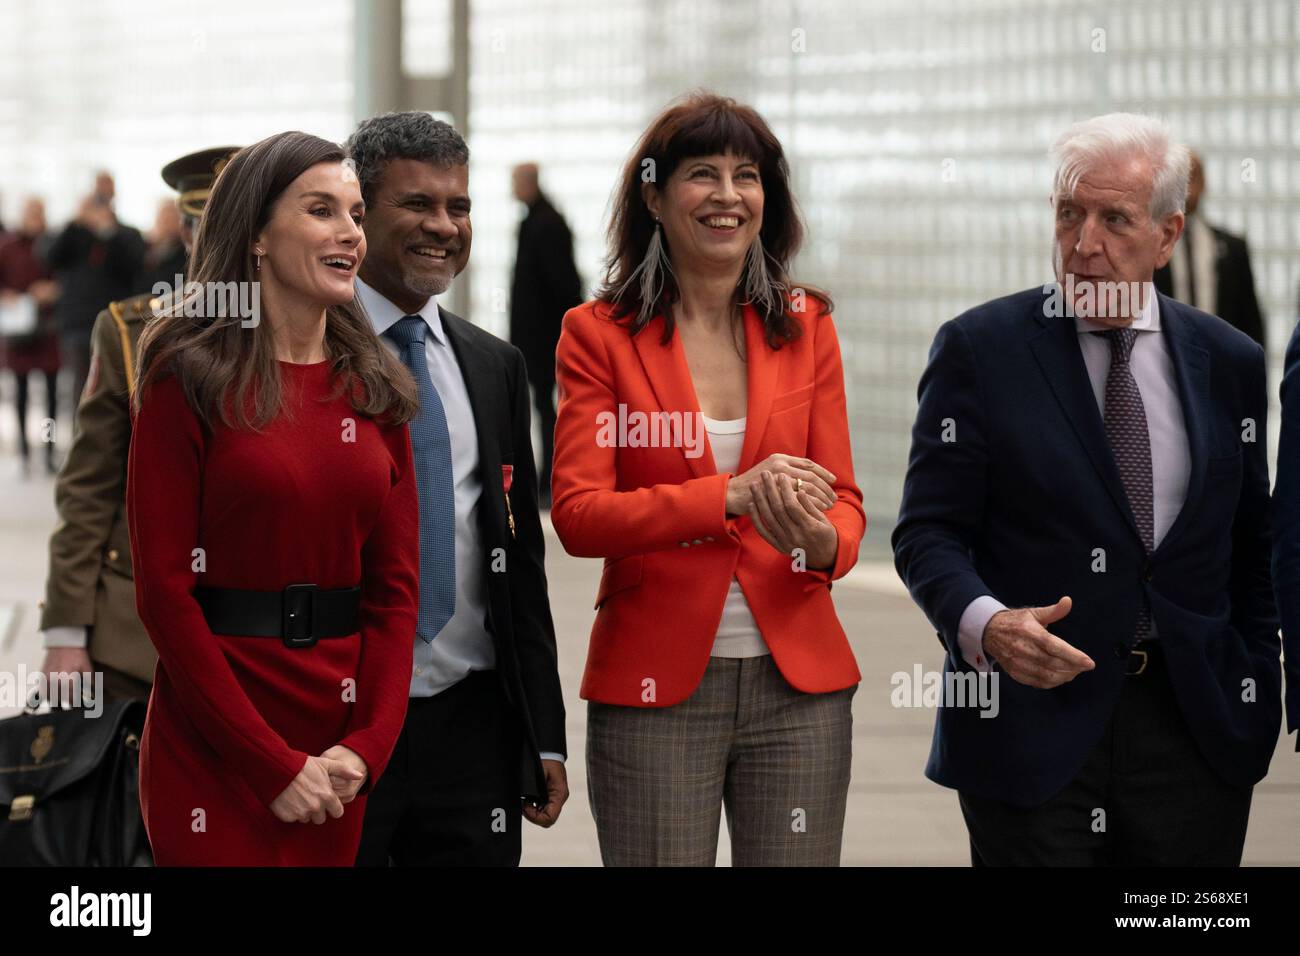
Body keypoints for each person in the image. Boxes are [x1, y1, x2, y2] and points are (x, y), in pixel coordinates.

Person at [892, 113, 1280, 866]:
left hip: (1194, 735)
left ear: (1168, 236)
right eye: (1069, 213)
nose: (1084, 243)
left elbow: (1252, 543)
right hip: (1030, 735)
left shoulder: (1229, 362)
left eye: (1114, 219)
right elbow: (928, 533)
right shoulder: (980, 350)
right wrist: (987, 624)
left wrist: (1256, 683)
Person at [551, 92, 864, 866]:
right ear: (654, 196)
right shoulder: (597, 335)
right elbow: (580, 515)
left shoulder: (808, 324)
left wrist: (824, 541)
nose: (728, 197)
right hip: (656, 688)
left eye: (746, 176)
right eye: (702, 174)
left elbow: (847, 502)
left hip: (801, 688)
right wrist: (727, 494)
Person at [127, 132, 420, 865]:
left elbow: (395, 594)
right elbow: (164, 594)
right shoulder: (185, 375)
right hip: (216, 738)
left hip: (336, 747)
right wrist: (269, 763)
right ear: (255, 235)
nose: (349, 233)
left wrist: (368, 747)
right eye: (321, 210)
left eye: (355, 215)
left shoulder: (377, 387)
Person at [346, 112, 568, 867]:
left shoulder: (493, 366)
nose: (443, 225)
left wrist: (544, 730)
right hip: (340, 722)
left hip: (474, 727)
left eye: (459, 206)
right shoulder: (302, 355)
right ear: (359, 214)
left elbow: (519, 561)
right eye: (417, 204)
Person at [38, 147, 238, 703]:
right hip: (139, 638)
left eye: (241, 226)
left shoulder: (309, 329)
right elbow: (89, 487)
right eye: (207, 228)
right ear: (187, 234)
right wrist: (67, 631)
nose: (224, 245)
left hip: (265, 638)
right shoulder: (133, 332)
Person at [509, 162, 583, 507]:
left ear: (529, 184)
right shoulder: (536, 220)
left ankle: (551, 482)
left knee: (552, 409)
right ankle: (545, 481)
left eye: (516, 182)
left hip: (545, 337)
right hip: (539, 337)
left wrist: (572, 334)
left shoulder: (546, 224)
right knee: (543, 408)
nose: (513, 188)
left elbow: (563, 286)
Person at [45, 172, 145, 403]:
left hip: (115, 322)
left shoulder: (126, 233)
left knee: (116, 387)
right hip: (77, 323)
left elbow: (135, 265)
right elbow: (51, 258)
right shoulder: (75, 233)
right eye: (97, 191)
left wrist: (108, 231)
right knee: (80, 389)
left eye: (105, 190)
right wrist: (75, 221)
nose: (100, 196)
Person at [1155, 151, 1265, 349]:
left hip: (1221, 355)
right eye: (1179, 179)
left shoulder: (1232, 247)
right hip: (1165, 352)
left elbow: (1249, 316)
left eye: (1192, 178)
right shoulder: (1152, 244)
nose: (1187, 188)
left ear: (1204, 182)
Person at [0, 197, 60, 475]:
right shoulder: (8, 246)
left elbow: (66, 279)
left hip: (47, 330)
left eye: (39, 211)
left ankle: (48, 449)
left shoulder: (54, 245)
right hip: (19, 332)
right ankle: (24, 451)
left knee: (50, 396)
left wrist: (51, 290)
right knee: (21, 394)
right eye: (30, 212)